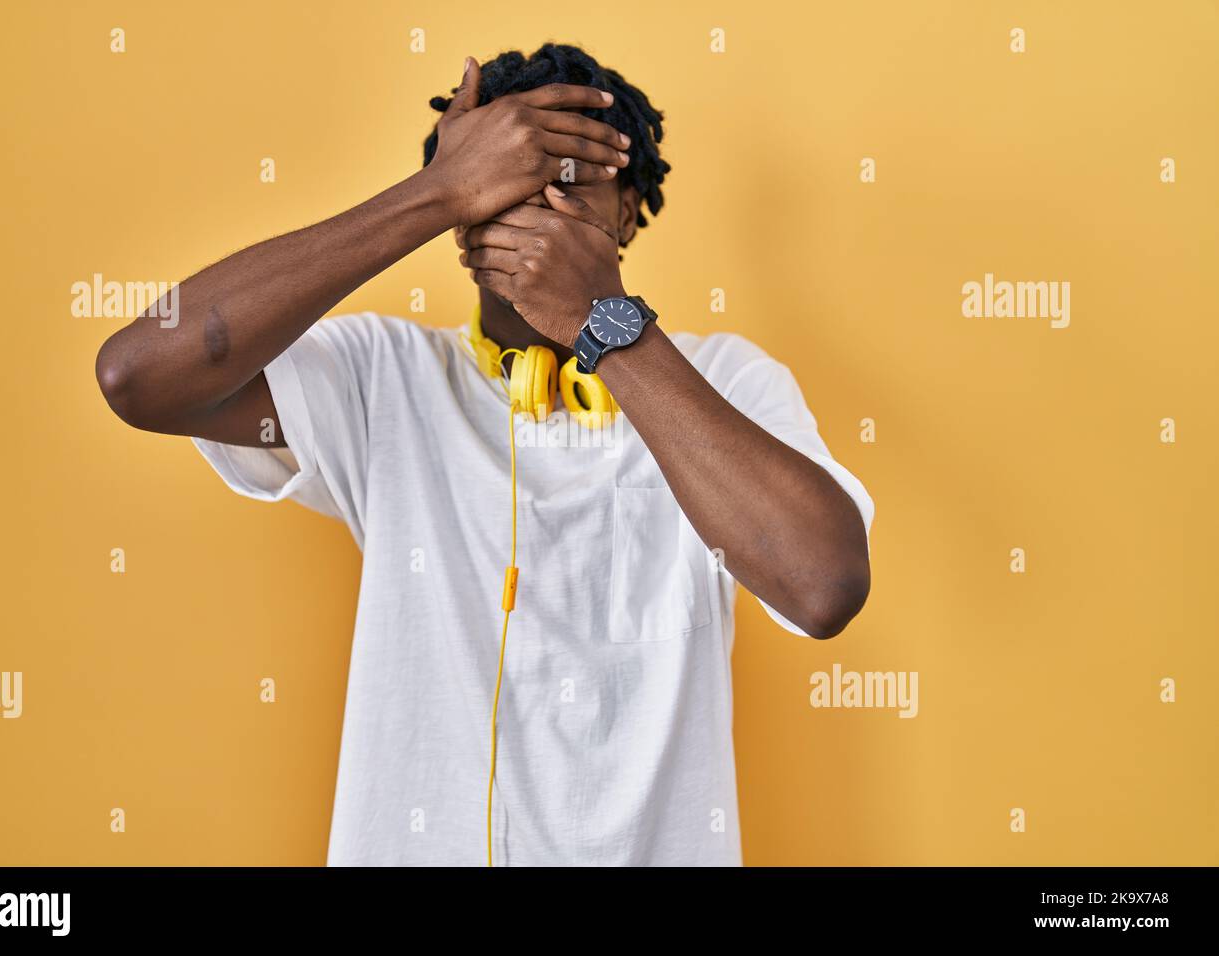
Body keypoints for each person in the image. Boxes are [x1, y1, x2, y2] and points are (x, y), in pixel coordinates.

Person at [95, 43, 873, 866]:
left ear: (631, 210)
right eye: (501, 184)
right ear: (462, 222)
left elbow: (823, 586)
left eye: (569, 181)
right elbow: (139, 376)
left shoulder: (725, 381)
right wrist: (431, 191)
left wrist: (603, 323)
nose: (535, 205)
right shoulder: (380, 378)